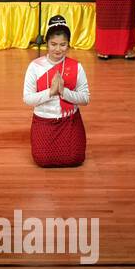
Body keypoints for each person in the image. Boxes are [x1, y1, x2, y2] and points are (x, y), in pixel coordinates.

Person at [23, 15, 90, 167]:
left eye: (63, 44)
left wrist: (63, 92)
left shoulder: (76, 66)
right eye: (53, 44)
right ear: (46, 43)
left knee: (75, 159)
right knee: (43, 160)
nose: (58, 49)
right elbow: (27, 99)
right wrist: (50, 92)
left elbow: (85, 98)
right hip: (44, 120)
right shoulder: (35, 66)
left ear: (68, 45)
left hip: (70, 121)